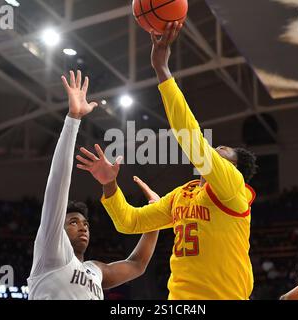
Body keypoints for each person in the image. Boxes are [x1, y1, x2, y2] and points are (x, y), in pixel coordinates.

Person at [76, 23, 258, 300]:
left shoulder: (233, 188)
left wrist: (162, 70)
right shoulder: (183, 195)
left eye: (223, 151)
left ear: (232, 169)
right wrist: (110, 185)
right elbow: (129, 222)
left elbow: (192, 140)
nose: (215, 149)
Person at [27, 70, 160, 300]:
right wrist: (73, 119)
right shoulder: (51, 252)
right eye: (73, 222)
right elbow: (58, 183)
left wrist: (155, 217)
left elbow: (137, 265)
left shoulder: (94, 270)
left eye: (85, 223)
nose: (83, 227)